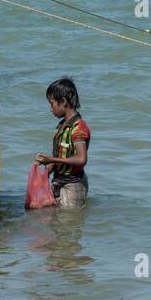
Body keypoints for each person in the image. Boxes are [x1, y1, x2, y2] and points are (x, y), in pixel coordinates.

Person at [36, 77, 89, 208]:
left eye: (52, 103)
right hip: (58, 180)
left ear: (64, 101)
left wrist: (52, 159)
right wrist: (48, 169)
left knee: (68, 222)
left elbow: (81, 159)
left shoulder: (79, 128)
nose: (50, 109)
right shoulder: (61, 126)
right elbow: (62, 155)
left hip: (73, 185)